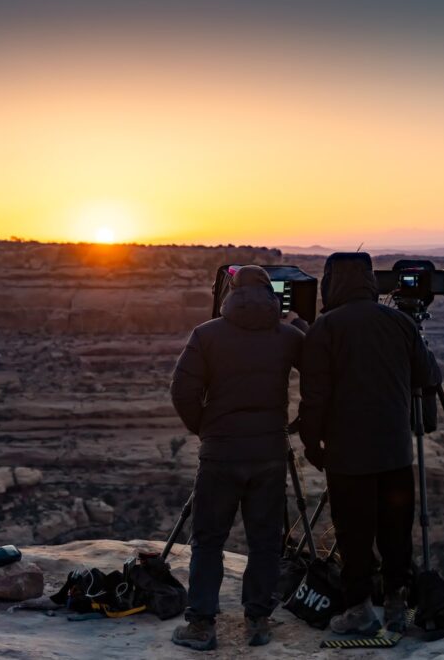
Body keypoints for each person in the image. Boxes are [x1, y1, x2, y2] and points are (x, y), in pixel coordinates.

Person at [299, 252, 441, 635]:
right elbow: (429, 376)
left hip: (348, 456)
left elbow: (313, 398)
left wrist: (312, 444)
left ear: (331, 283)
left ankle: (359, 609)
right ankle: (396, 604)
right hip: (395, 452)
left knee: (354, 534)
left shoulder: (325, 328)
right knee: (396, 530)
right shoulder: (398, 323)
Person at [169, 265, 304, 651]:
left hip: (221, 455)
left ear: (230, 291)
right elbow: (319, 377)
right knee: (265, 542)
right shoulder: (288, 336)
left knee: (208, 541)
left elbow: (182, 390)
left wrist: (206, 430)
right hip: (268, 454)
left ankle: (201, 626)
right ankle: (258, 620)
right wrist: (301, 421)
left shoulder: (207, 334)